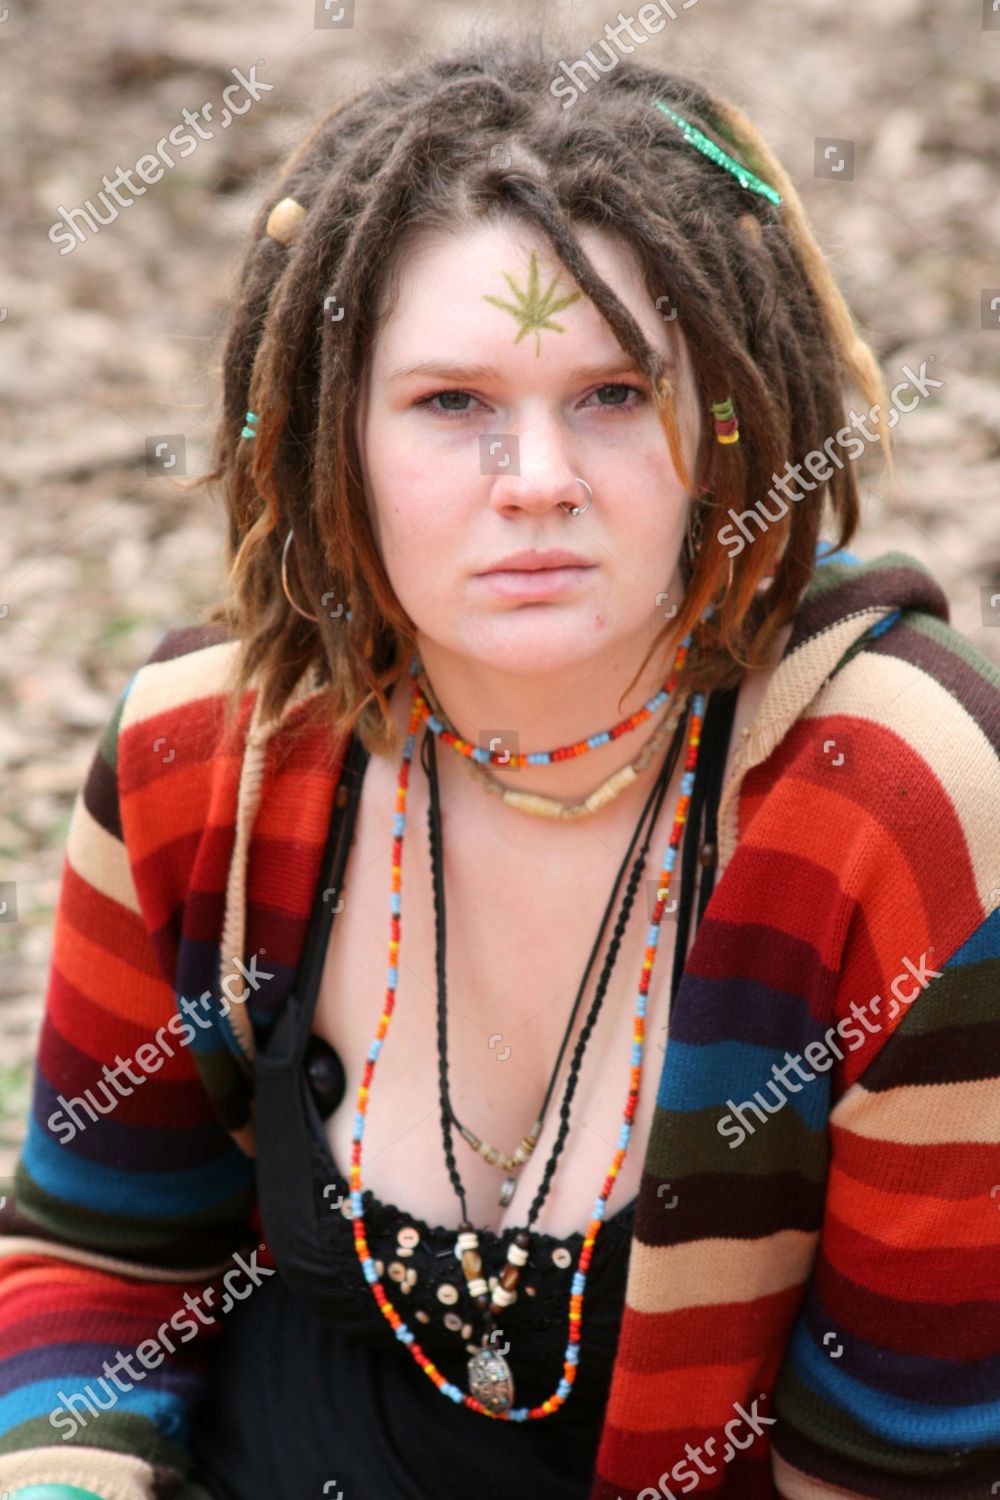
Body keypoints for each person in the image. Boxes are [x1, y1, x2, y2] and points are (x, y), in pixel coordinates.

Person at [1, 29, 998, 1500]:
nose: (538, 479)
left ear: (733, 423)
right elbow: (106, 1251)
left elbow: (906, 1459)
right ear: (328, 439)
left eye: (612, 394)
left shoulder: (900, 812)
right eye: (452, 403)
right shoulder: (202, 753)